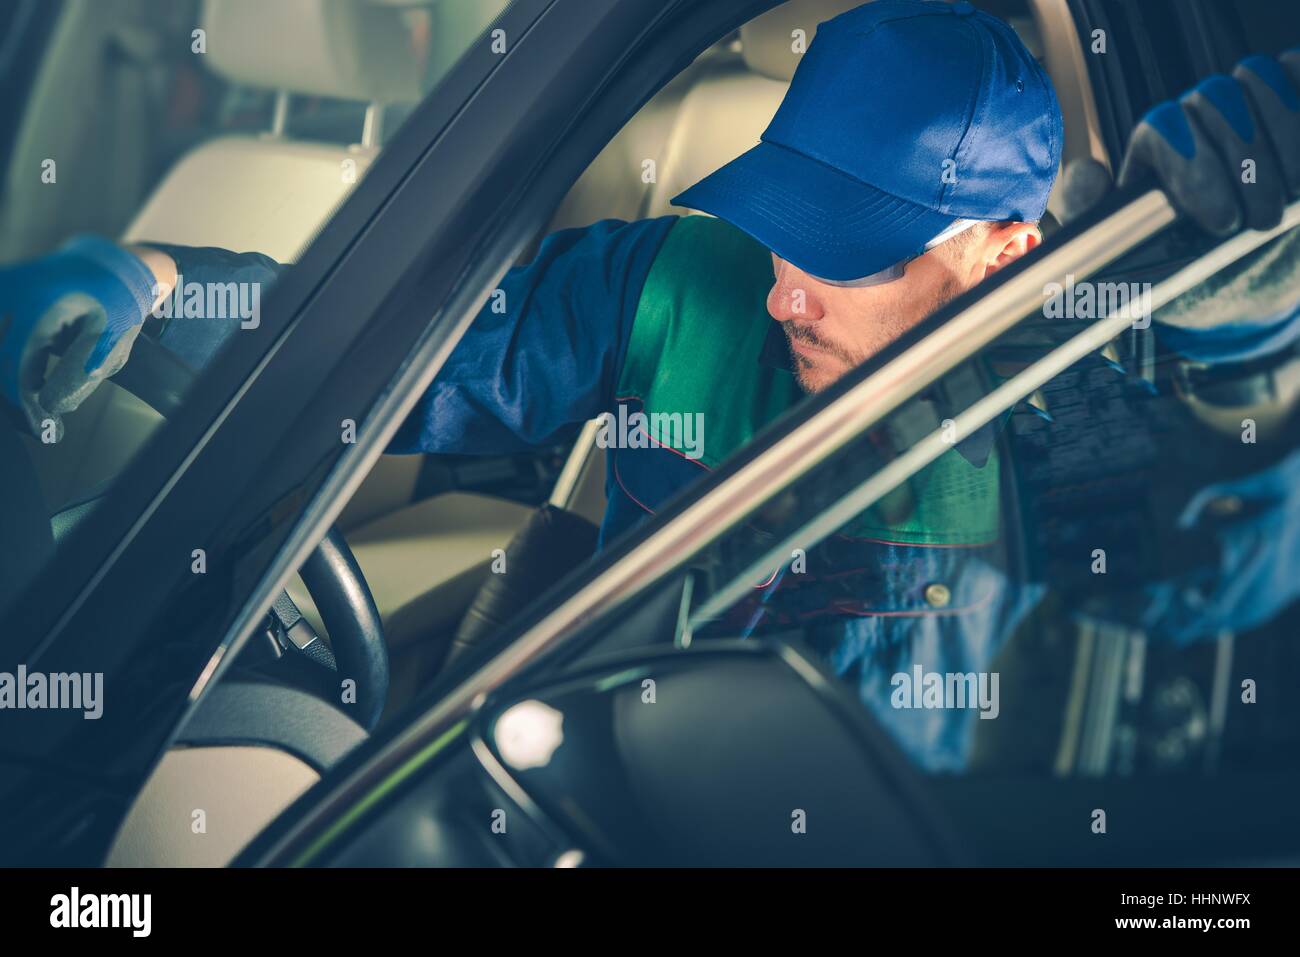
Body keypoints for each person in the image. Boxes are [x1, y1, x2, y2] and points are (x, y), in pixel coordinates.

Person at [3, 0, 1298, 768]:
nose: (786, 287)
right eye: (788, 224)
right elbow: (399, 347)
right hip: (597, 784)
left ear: (1002, 252)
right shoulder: (686, 282)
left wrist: (1247, 365)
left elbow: (1211, 563)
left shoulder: (1052, 390)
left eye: (846, 254)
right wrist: (158, 278)